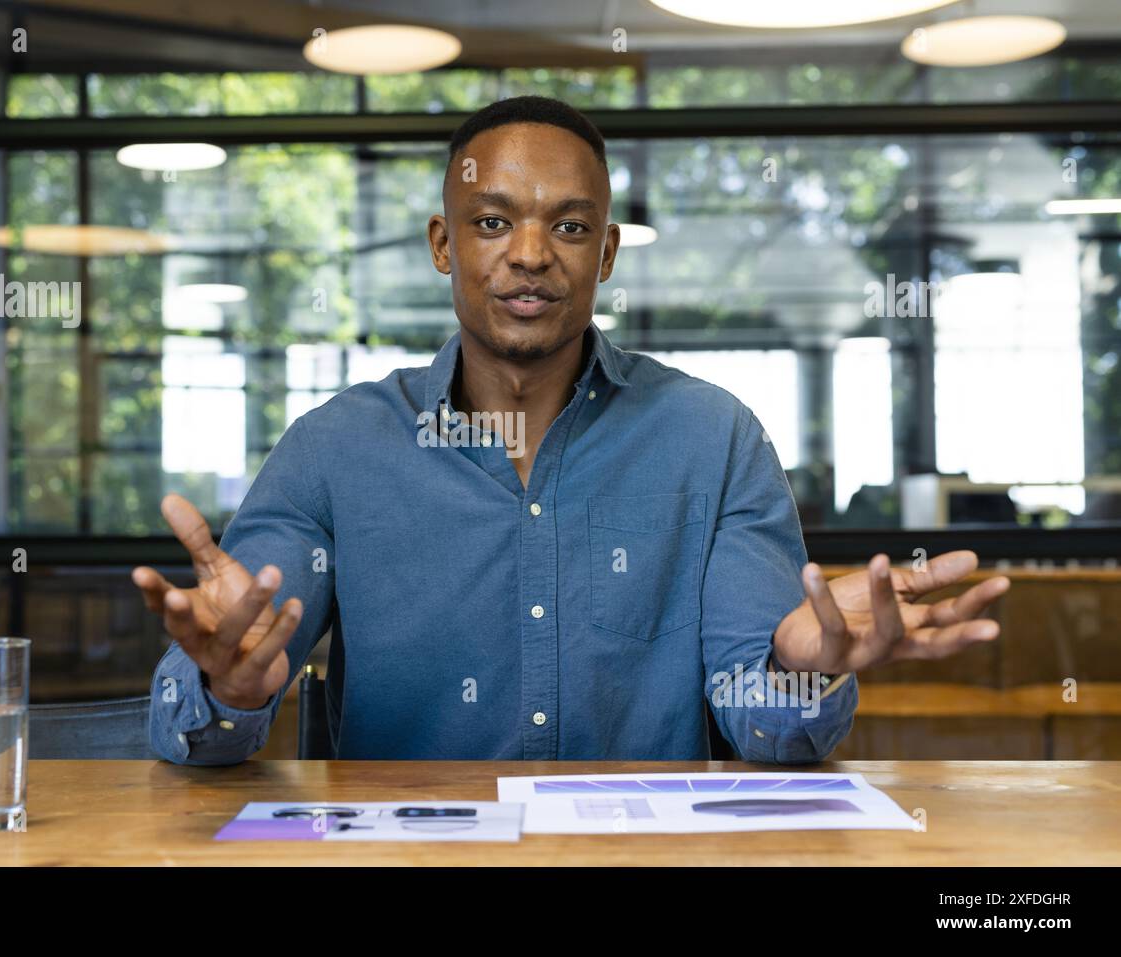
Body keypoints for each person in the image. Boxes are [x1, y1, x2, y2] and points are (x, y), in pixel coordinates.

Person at [135, 95, 1010, 765]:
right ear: (445, 244)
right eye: (492, 221)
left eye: (569, 225)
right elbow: (200, 724)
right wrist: (227, 684)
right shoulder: (335, 448)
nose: (529, 253)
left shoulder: (715, 439)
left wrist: (799, 669)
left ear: (607, 252)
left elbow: (770, 731)